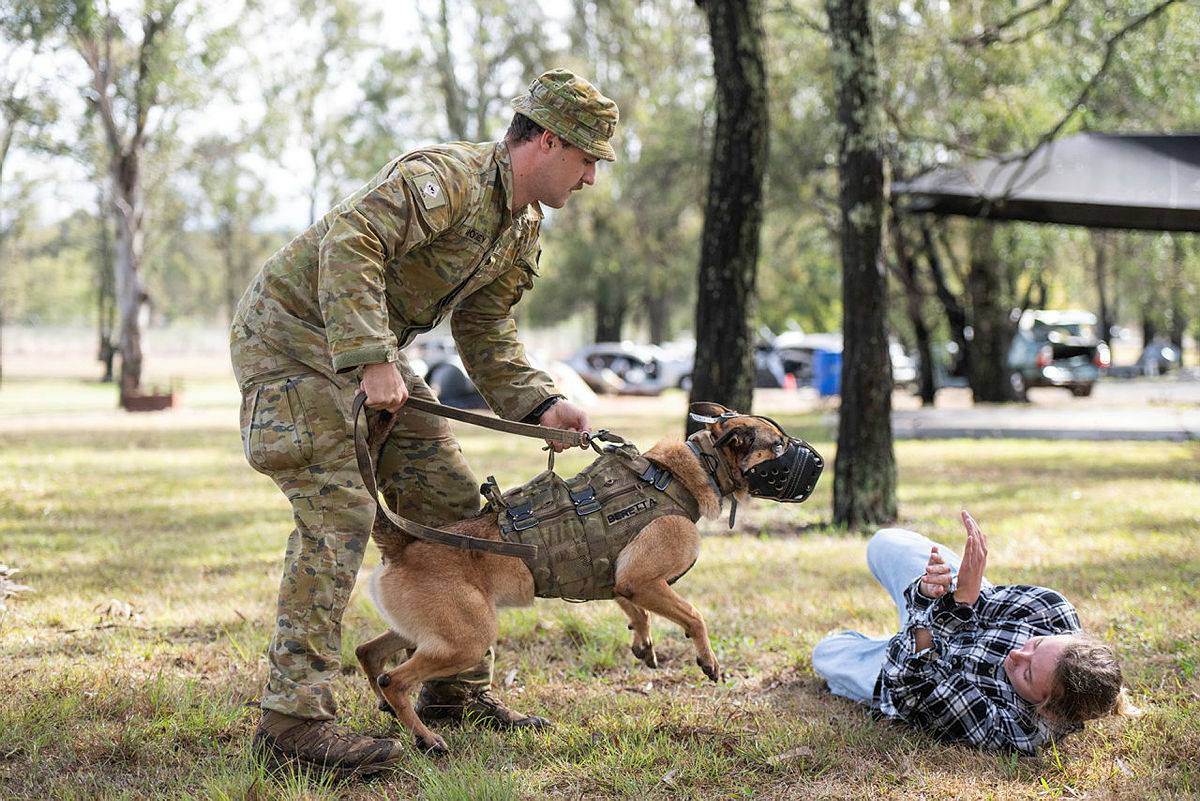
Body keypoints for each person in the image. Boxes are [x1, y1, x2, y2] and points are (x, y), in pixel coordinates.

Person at [230, 69, 619, 776]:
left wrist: (539, 404)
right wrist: (373, 356)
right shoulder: (453, 178)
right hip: (292, 337)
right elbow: (350, 240)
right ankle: (292, 724)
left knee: (447, 497)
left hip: (359, 348)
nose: (591, 176)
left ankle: (451, 687)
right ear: (549, 140)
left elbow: (486, 328)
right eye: (588, 157)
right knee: (340, 510)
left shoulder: (521, 225)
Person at [813, 511, 1137, 754]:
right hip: (949, 611)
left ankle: (889, 642)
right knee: (885, 541)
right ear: (1066, 636)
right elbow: (977, 600)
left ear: (1047, 710)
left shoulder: (1018, 731)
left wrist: (936, 613)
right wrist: (936, 590)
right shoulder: (1052, 611)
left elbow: (913, 684)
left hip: (907, 670)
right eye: (1035, 645)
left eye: (1027, 673)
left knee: (826, 654)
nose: (1017, 655)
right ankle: (905, 628)